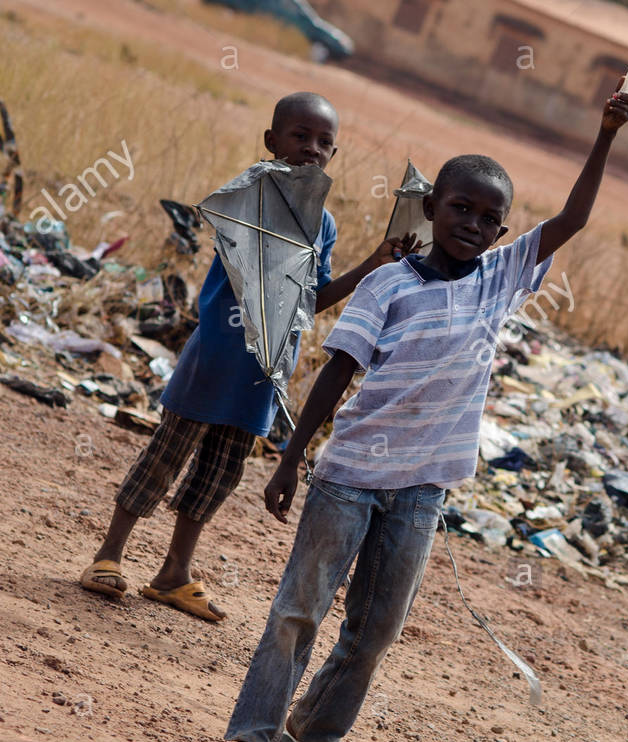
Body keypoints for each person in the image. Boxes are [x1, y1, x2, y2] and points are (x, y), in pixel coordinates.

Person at [225, 87, 628, 742]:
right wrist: (289, 455)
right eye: (461, 208)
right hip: (350, 476)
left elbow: (573, 218)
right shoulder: (387, 282)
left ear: (503, 233)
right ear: (430, 208)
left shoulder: (499, 278)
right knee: (297, 614)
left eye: (489, 217)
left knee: (376, 633)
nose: (473, 224)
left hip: (422, 492)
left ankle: (313, 736)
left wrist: (606, 135)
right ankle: (251, 735)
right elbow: (337, 370)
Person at [78, 92, 418, 622]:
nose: (312, 149)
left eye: (325, 143)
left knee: (218, 473)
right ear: (271, 142)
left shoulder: (323, 225)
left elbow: (311, 301)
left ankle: (172, 574)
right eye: (300, 136)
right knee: (164, 458)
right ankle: (109, 555)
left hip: (265, 372)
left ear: (334, 155)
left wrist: (375, 262)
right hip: (216, 355)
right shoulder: (250, 195)